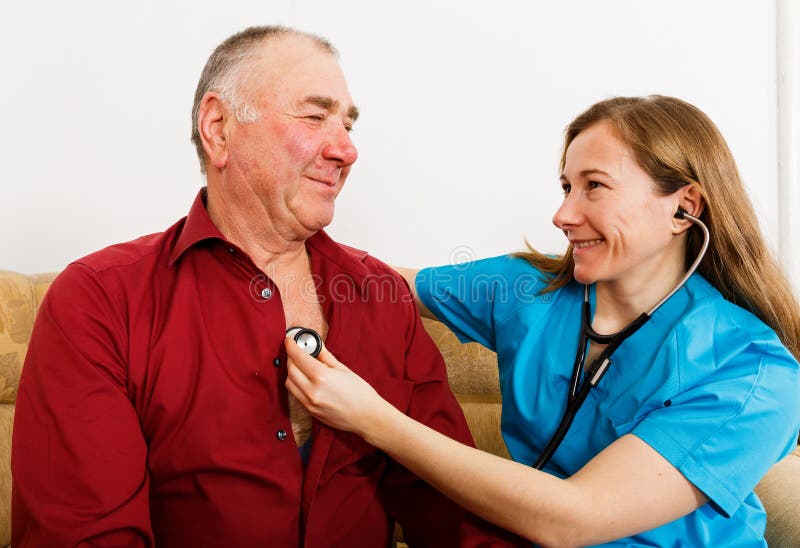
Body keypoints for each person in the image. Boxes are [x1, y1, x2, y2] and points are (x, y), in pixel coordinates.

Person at [11, 25, 523, 547]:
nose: (347, 150)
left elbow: (456, 512)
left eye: (348, 124)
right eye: (315, 116)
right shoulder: (99, 300)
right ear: (219, 128)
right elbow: (85, 535)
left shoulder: (381, 295)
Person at [286, 95, 800, 546]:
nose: (562, 215)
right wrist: (275, 239)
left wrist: (373, 419)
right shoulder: (526, 290)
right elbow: (380, 283)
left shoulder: (754, 371)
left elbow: (575, 518)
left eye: (594, 186)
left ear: (683, 208)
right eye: (565, 187)